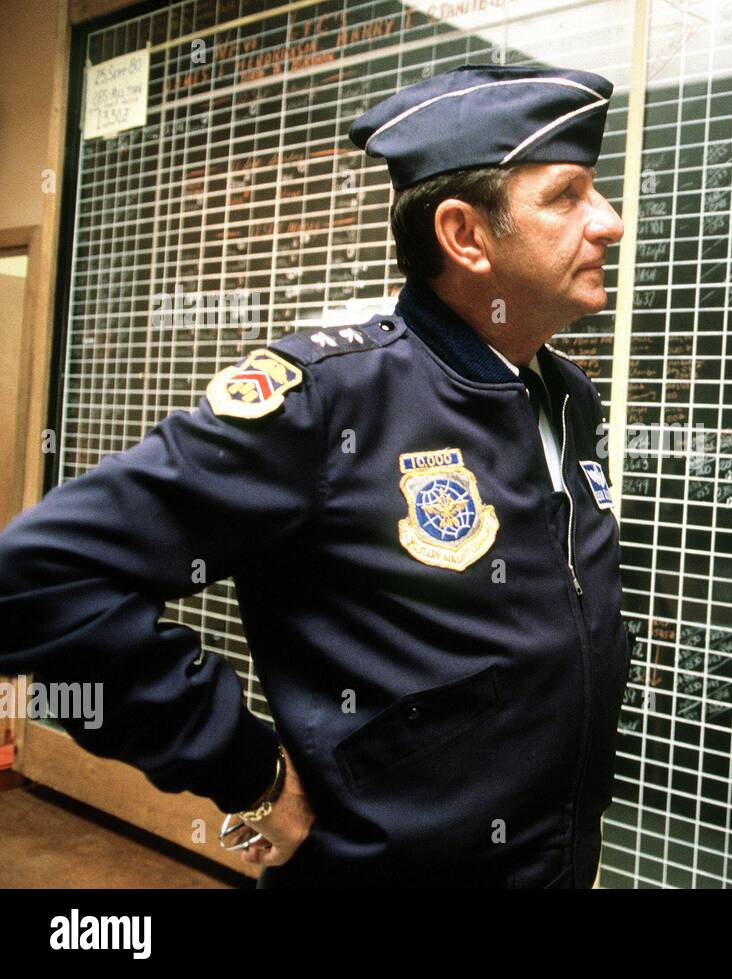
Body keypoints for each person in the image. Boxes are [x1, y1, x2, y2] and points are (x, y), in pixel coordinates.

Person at [0, 62, 632, 888]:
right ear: (465, 236)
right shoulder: (330, 399)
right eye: (568, 195)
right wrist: (243, 768)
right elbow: (35, 581)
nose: (610, 222)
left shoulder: (563, 398)